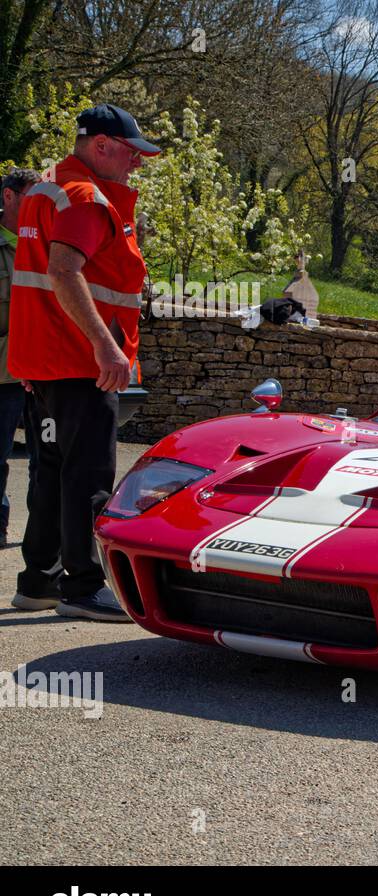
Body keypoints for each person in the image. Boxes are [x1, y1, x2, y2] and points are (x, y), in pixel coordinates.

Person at [7, 104, 160, 621]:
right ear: (100, 145)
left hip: (43, 363)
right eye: (132, 152)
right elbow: (64, 271)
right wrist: (105, 345)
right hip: (82, 364)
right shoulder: (86, 197)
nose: (137, 163)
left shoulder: (46, 187)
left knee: (50, 473)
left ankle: (38, 582)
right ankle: (84, 587)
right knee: (89, 477)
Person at [0, 168, 40, 548]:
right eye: (31, 196)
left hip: (45, 371)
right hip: (5, 375)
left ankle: (39, 537)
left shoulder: (46, 243)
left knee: (45, 462)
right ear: (9, 197)